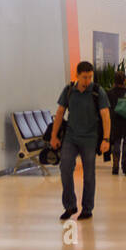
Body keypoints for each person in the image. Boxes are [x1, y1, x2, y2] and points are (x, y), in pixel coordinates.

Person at [49, 61, 111, 221]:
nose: (87, 81)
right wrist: (53, 136)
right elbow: (60, 113)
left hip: (90, 139)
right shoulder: (69, 90)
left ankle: (87, 208)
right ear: (77, 75)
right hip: (71, 137)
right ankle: (70, 206)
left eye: (90, 77)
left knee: (89, 175)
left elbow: (105, 116)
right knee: (65, 169)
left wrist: (106, 139)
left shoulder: (98, 91)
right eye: (84, 77)